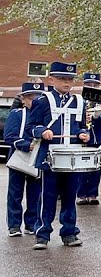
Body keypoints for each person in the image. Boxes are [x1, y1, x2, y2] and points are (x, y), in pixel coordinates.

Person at [25, 61, 93, 249]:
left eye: (70, 79)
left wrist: (83, 134)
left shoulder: (80, 101)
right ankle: (42, 234)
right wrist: (42, 131)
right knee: (47, 196)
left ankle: (69, 233)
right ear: (51, 79)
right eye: (62, 79)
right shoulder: (43, 100)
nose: (66, 83)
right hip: (50, 156)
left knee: (70, 196)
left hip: (72, 156)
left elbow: (82, 127)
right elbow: (31, 126)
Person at [5, 82, 44, 237]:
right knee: (15, 193)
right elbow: (9, 136)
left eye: (37, 97)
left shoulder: (44, 116)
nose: (33, 101)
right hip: (19, 158)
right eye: (30, 97)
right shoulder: (17, 114)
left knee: (35, 193)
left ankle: (31, 223)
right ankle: (14, 225)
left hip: (37, 159)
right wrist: (26, 145)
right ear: (23, 99)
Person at [76, 71, 101, 206]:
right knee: (82, 168)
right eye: (88, 84)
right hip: (83, 137)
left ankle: (92, 194)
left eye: (94, 84)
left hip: (98, 138)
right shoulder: (79, 100)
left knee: (96, 167)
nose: (92, 86)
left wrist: (98, 116)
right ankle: (81, 194)